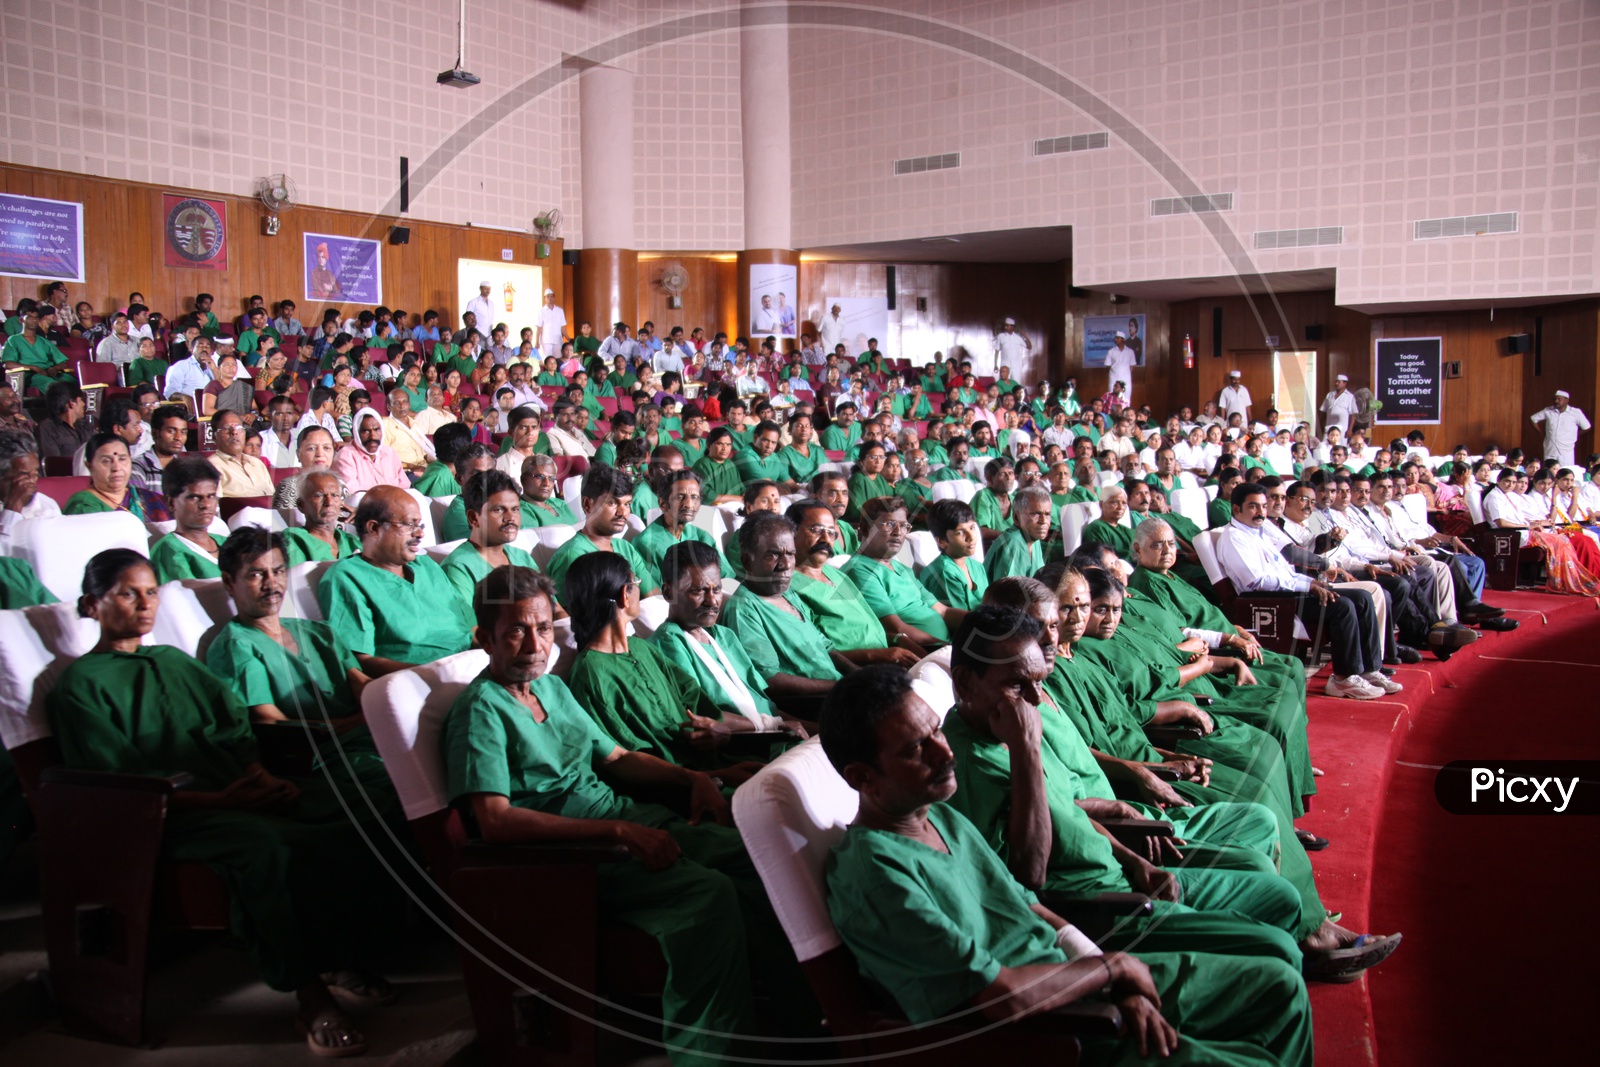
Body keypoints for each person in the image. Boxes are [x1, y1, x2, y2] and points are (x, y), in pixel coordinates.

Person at [49, 549, 404, 1057]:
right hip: (173, 814)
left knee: (357, 809)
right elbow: (116, 779)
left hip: (236, 789)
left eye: (151, 593)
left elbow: (233, 727)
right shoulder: (82, 684)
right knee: (268, 848)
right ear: (92, 605)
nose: (145, 605)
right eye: (128, 594)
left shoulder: (172, 661)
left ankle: (340, 956)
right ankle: (309, 995)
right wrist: (220, 798)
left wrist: (259, 775)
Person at [206, 527, 400, 821]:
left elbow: (362, 685)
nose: (272, 584)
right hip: (322, 757)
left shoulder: (317, 632)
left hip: (370, 735)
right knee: (400, 783)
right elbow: (269, 720)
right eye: (256, 574)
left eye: (278, 572)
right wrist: (350, 723)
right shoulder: (236, 646)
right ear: (228, 583)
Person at [1217, 482, 1397, 698]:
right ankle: (1343, 678)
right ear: (1237, 509)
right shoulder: (1234, 536)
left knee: (1362, 597)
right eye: (1253, 506)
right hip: (1272, 600)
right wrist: (1307, 586)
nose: (1261, 512)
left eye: (1263, 506)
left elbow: (1287, 572)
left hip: (1290, 592)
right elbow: (1256, 582)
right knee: (1341, 606)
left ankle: (1369, 669)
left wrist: (1313, 583)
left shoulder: (1259, 533)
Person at [316, 485, 475, 675]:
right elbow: (361, 661)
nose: (420, 534)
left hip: (473, 664)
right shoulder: (348, 576)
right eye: (410, 525)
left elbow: (471, 629)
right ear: (374, 528)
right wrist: (434, 673)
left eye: (420, 525)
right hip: (422, 679)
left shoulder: (427, 566)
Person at [842, 497, 965, 646]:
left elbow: (942, 611)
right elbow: (895, 628)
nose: (898, 532)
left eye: (904, 526)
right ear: (866, 528)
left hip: (947, 645)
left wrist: (981, 621)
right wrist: (947, 649)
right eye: (890, 524)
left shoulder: (902, 568)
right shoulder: (859, 570)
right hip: (919, 651)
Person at [543, 464, 658, 601]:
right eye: (612, 503)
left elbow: (655, 598)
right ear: (587, 504)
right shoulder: (573, 556)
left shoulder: (625, 548)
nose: (622, 513)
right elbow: (572, 612)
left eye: (627, 504)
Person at [439, 469, 539, 602]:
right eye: (498, 510)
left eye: (515, 509)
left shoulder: (522, 557)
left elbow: (555, 608)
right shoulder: (458, 568)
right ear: (473, 518)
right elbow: (465, 616)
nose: (511, 518)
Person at [631, 468, 729, 591]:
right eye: (680, 497)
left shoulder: (701, 535)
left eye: (694, 497)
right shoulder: (645, 544)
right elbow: (656, 594)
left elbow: (728, 578)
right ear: (663, 504)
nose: (688, 504)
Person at [147, 457, 224, 580]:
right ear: (171, 503)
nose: (206, 505)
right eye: (194, 497)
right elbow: (183, 589)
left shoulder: (227, 543)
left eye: (211, 496)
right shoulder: (168, 550)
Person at [63, 432, 165, 520]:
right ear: (89, 466)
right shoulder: (83, 505)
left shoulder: (148, 498)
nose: (116, 468)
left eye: (122, 459)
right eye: (106, 461)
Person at [918, 498, 989, 610]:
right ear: (942, 541)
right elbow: (957, 618)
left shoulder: (977, 566)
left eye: (972, 528)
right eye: (960, 532)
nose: (971, 537)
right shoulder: (944, 572)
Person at [985, 484, 1053, 581]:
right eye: (1035, 514)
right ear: (1016, 518)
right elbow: (1007, 588)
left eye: (1047, 514)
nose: (1043, 521)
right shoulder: (1013, 542)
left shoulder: (1034, 538)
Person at [332, 407, 408, 492]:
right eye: (366, 431)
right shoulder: (345, 457)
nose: (372, 436)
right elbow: (354, 495)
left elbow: (405, 487)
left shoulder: (390, 453)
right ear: (356, 432)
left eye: (376, 430)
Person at [208, 410, 275, 498]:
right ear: (214, 437)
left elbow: (273, 497)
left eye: (239, 427)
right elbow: (213, 504)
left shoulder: (257, 463)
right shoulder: (211, 467)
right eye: (226, 428)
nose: (234, 432)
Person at [1530, 389, 1592, 467]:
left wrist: (1574, 435)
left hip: (1566, 450)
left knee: (1566, 470)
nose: (1556, 401)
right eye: (1555, 399)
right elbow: (1533, 419)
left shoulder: (1575, 413)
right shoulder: (1548, 410)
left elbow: (1587, 427)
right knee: (1549, 470)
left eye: (1559, 399)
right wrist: (1541, 432)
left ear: (1567, 400)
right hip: (1551, 448)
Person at [35, 381, 91, 459]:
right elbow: (52, 462)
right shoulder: (47, 428)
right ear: (71, 403)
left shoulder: (85, 426)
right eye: (81, 400)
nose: (83, 404)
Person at [1103, 331, 1137, 401]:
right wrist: (1114, 373)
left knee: (1126, 398)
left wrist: (1125, 373)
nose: (1115, 340)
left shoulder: (1130, 352)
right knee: (1112, 398)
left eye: (1118, 338)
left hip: (1126, 379)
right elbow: (1107, 366)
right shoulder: (1111, 352)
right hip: (1114, 378)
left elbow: (1132, 366)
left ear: (1123, 340)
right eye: (1115, 338)